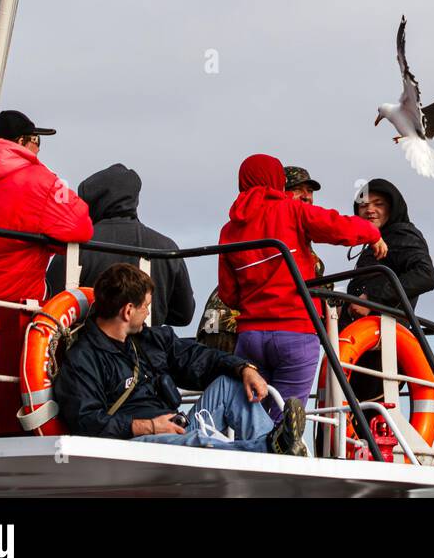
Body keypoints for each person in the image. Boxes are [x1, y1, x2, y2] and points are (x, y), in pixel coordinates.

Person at [54, 263, 306, 455]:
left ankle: (277, 453)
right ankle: (272, 449)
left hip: (174, 427)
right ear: (128, 311)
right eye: (146, 306)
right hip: (133, 444)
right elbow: (86, 422)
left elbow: (197, 358)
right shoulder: (83, 359)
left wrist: (244, 368)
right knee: (198, 443)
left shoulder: (150, 340)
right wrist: (149, 426)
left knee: (231, 385)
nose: (148, 312)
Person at [217, 154, 384, 420]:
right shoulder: (292, 211)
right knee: (285, 421)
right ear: (277, 182)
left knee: (250, 418)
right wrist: (372, 233)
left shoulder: (229, 230)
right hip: (295, 332)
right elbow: (336, 226)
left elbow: (228, 293)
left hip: (250, 337)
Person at [0, 109, 92, 437]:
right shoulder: (38, 180)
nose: (37, 150)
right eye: (36, 142)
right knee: (2, 415)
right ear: (21, 142)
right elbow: (80, 225)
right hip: (11, 316)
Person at [193, 163, 323, 351]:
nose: (306, 196)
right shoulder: (284, 235)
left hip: (221, 327)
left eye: (309, 190)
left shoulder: (241, 226)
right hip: (242, 328)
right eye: (296, 189)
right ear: (280, 192)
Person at [45, 163, 194, 327]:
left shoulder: (76, 246)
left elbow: (49, 304)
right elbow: (184, 315)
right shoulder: (166, 248)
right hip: (150, 348)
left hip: (86, 348)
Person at [341, 179, 434, 404]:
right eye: (363, 205)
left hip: (382, 345)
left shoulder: (402, 235)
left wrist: (372, 298)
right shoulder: (374, 242)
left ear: (393, 208)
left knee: (366, 411)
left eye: (378, 204)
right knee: (352, 413)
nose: (370, 209)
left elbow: (426, 275)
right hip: (364, 346)